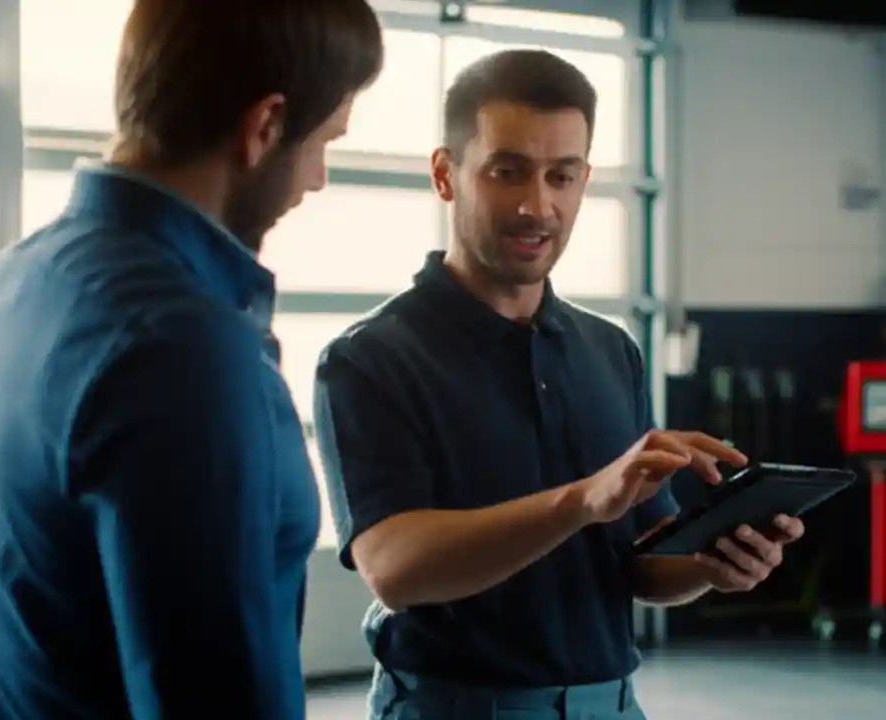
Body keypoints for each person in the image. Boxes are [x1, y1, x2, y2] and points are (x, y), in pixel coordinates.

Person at [313, 49, 806, 720]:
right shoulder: (371, 359)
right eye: (506, 171)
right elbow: (395, 571)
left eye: (561, 176)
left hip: (612, 706)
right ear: (445, 174)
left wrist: (712, 565)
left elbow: (640, 566)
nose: (535, 205)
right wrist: (582, 500)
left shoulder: (610, 352)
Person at [0, 1, 382, 717]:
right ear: (265, 126)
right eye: (324, 140)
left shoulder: (15, 279)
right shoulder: (183, 349)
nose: (320, 178)